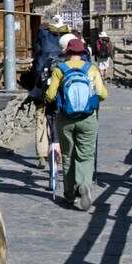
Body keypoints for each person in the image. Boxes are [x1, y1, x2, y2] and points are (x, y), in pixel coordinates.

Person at [44, 36, 108, 210]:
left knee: (68, 156)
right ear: (83, 52)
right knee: (85, 156)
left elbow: (50, 95)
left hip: (65, 119)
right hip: (88, 118)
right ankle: (84, 184)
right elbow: (103, 94)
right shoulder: (91, 69)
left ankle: (69, 195)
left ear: (68, 52)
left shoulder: (60, 69)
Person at [30, 14, 71, 169]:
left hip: (42, 86)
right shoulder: (70, 38)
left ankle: (42, 155)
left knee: (41, 120)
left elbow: (36, 58)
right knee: (59, 120)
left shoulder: (42, 36)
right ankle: (57, 151)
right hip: (62, 89)